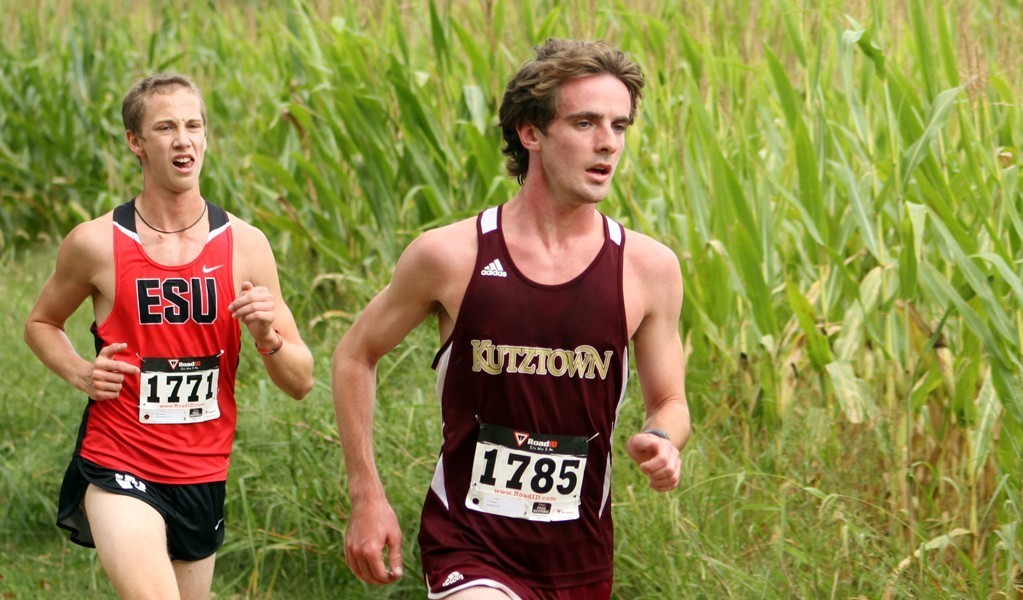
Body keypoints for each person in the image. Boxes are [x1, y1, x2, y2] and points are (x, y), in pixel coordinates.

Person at [332, 38, 690, 599]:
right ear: (531, 133)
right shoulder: (450, 257)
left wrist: (663, 439)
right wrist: (366, 494)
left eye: (619, 127)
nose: (607, 144)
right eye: (585, 123)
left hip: (580, 557)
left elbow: (670, 402)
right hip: (469, 544)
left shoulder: (648, 269)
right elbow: (356, 354)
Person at [24, 74, 314, 600]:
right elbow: (41, 323)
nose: (184, 139)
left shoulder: (245, 245)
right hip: (119, 460)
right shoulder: (96, 243)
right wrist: (80, 372)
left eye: (193, 125)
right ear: (136, 141)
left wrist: (266, 335)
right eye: (166, 127)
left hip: (203, 470)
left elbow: (301, 380)